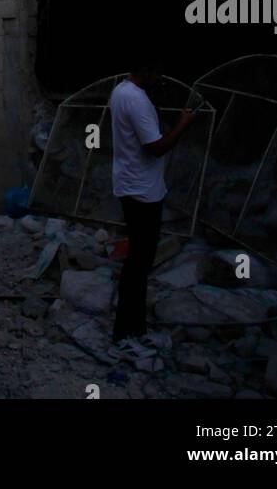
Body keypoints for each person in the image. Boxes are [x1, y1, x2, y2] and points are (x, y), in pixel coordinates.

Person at [107, 56, 195, 365]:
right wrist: (183, 124)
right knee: (138, 265)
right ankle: (124, 337)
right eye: (157, 71)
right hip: (142, 192)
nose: (160, 77)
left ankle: (137, 330)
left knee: (139, 263)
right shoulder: (137, 100)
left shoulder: (120, 90)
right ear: (146, 69)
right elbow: (155, 147)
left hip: (133, 185)